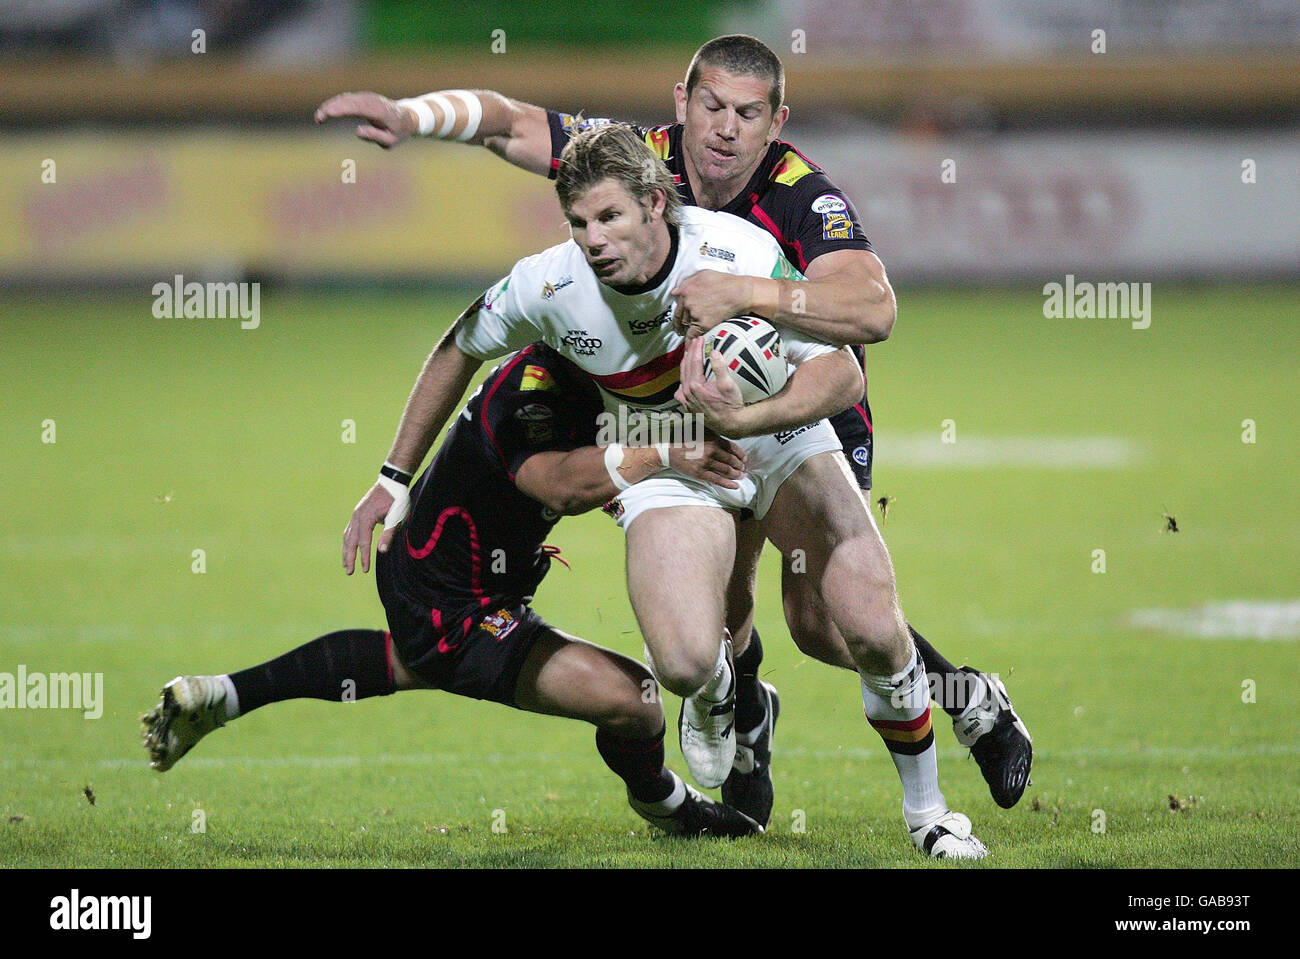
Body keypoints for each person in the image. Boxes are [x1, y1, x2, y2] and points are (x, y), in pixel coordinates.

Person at [315, 35, 1032, 819]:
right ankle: (748, 717)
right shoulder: (632, 165)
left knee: (824, 622)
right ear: (681, 101)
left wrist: (748, 294)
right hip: (672, 407)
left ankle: (970, 699)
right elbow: (509, 123)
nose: (725, 127)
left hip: (795, 398)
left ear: (775, 122)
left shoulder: (797, 194)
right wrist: (411, 114)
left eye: (747, 114)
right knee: (712, 614)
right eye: (712, 105)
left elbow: (874, 310)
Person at [141, 341, 763, 839]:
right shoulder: (534, 397)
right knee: (636, 700)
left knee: (406, 662)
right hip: (456, 603)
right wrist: (661, 456)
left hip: (444, 577)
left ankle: (220, 697)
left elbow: (592, 471)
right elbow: (560, 485)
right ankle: (666, 807)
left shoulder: (578, 373)